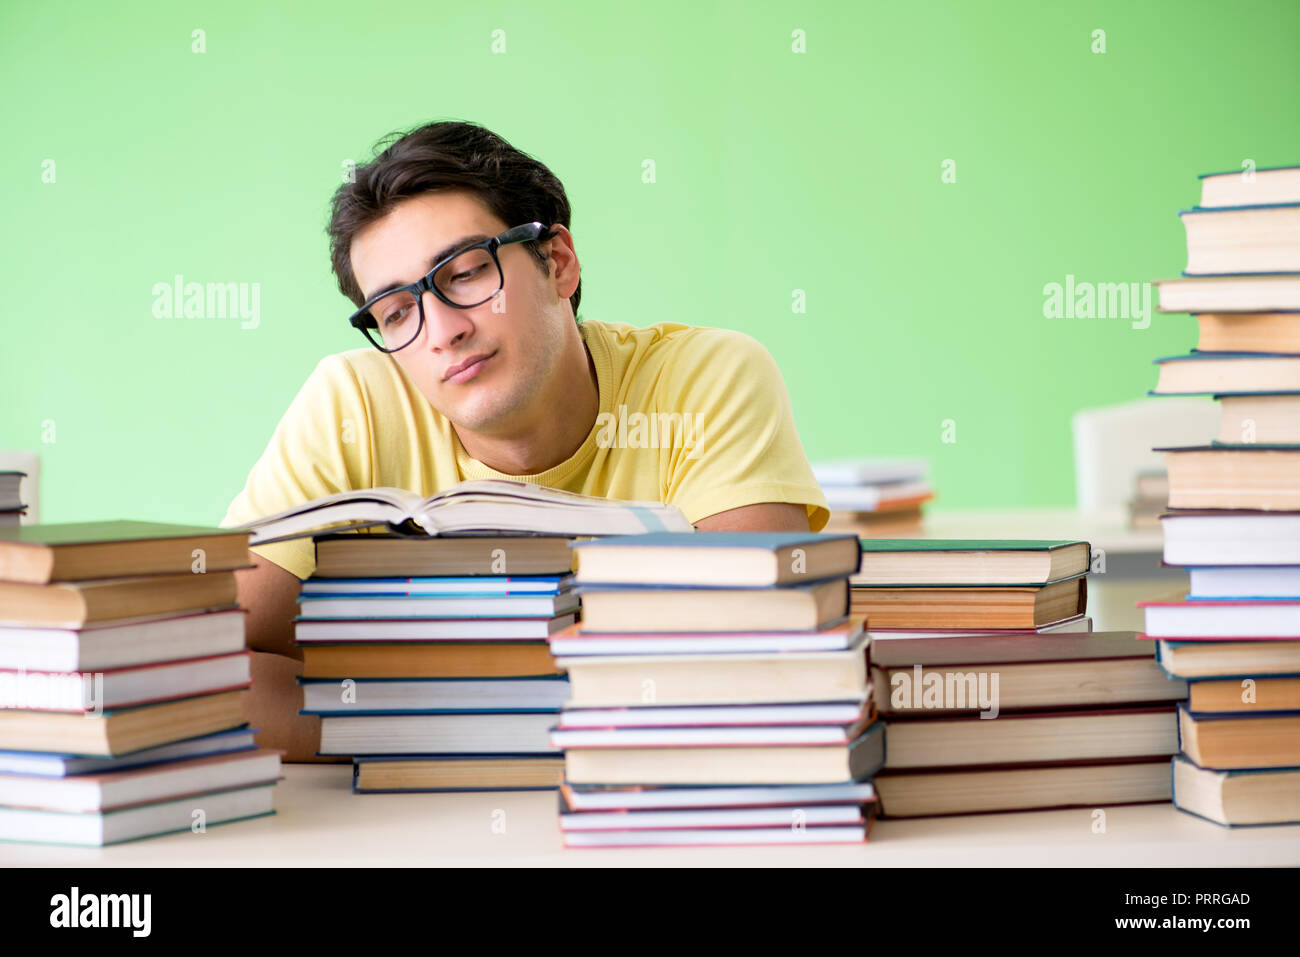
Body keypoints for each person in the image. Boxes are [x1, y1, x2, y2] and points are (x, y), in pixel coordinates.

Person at [221, 120, 830, 761]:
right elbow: (212, 666)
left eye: (464, 274)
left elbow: (761, 645)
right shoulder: (353, 405)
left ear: (557, 263)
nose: (441, 331)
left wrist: (411, 698)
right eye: (397, 311)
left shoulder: (705, 377)